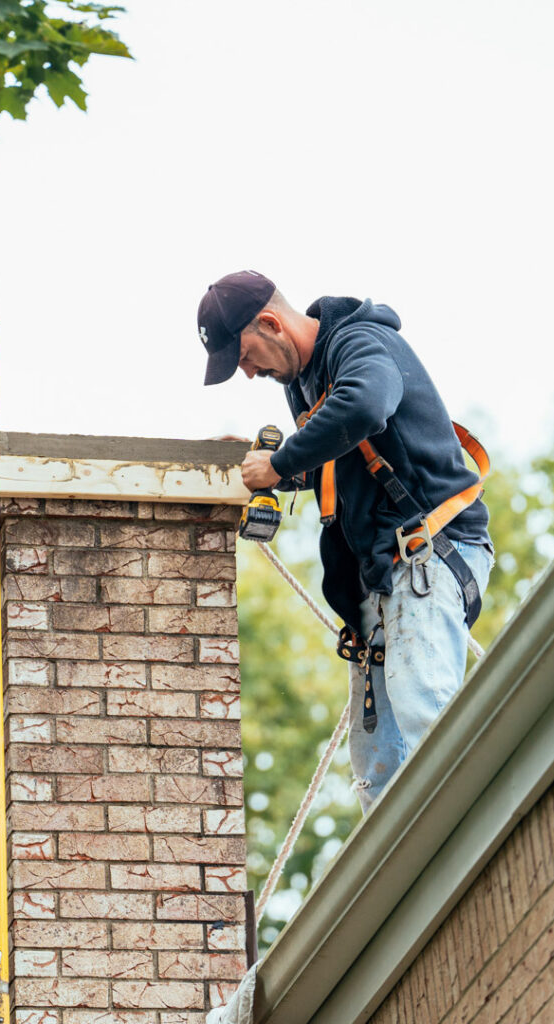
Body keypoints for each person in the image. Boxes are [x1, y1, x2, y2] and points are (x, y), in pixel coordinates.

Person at [196, 271, 493, 811]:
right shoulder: (303, 384)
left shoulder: (359, 342)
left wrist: (281, 460)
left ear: (270, 323)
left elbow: (364, 406)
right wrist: (283, 469)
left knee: (425, 713)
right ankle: (402, 882)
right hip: (382, 575)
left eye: (243, 356)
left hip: (428, 553)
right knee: (376, 763)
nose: (247, 373)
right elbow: (340, 461)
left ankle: (474, 857)